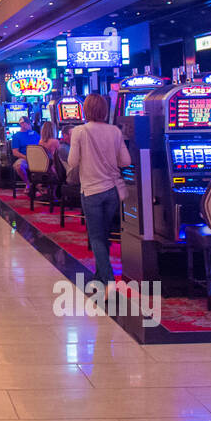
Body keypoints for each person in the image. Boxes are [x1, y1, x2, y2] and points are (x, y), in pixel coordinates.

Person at [66, 94, 131, 288]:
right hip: (112, 190)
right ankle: (100, 274)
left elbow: (72, 162)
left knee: (95, 237)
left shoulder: (79, 131)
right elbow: (126, 161)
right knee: (103, 234)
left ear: (85, 110)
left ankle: (109, 281)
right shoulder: (115, 131)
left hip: (91, 190)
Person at [10, 118, 37, 184]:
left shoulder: (34, 133)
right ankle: (28, 184)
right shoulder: (16, 136)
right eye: (26, 123)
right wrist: (26, 157)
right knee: (19, 166)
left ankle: (38, 185)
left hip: (36, 158)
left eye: (28, 124)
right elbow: (15, 152)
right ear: (21, 124)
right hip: (24, 158)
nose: (28, 125)